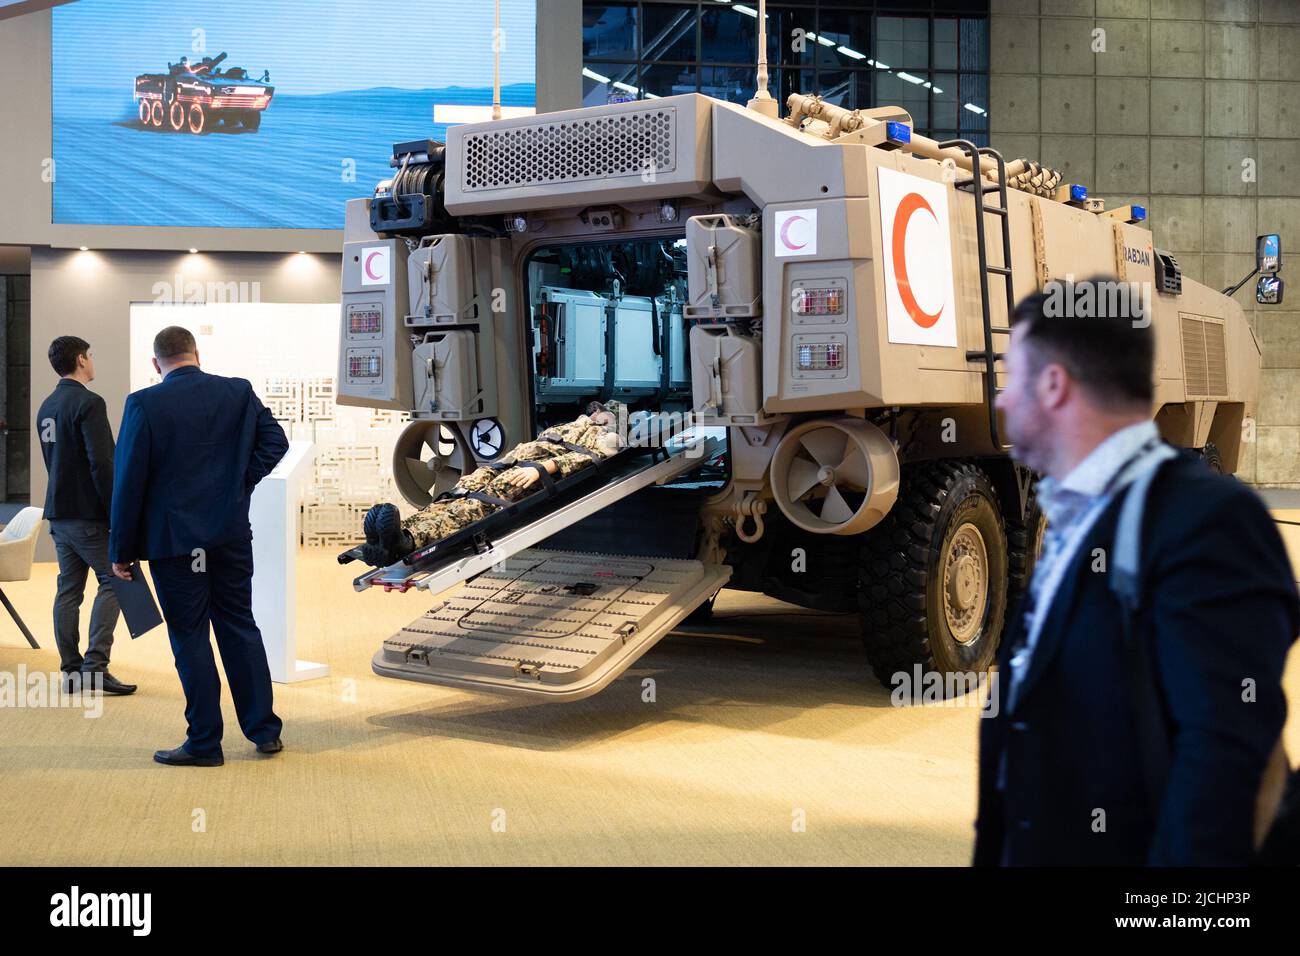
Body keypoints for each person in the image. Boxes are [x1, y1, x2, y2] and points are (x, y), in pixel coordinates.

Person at [974, 279, 1300, 865]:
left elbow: (1223, 769)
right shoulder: (1077, 519)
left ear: (1053, 385)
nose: (1000, 400)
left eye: (1012, 376)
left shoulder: (1208, 523)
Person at [109, 326, 289, 768]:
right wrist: (239, 483)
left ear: (157, 363)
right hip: (228, 534)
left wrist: (121, 549)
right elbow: (276, 443)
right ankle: (264, 730)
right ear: (197, 354)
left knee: (190, 636)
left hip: (174, 543)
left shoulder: (144, 403)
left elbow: (129, 480)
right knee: (239, 626)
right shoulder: (238, 392)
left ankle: (205, 742)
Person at [361, 401, 626, 567]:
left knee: (474, 506)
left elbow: (590, 458)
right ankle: (393, 534)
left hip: (529, 474)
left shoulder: (608, 437)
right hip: (507, 465)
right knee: (456, 494)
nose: (597, 415)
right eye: (598, 411)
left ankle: (408, 540)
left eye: (604, 414)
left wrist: (545, 469)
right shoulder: (573, 425)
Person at [35, 336, 135, 695]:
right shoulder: (90, 403)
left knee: (69, 589)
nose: (92, 360)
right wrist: (117, 512)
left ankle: (72, 671)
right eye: (90, 355)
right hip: (88, 516)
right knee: (117, 581)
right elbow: (102, 464)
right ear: (80, 359)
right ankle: (95, 667)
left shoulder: (47, 406)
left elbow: (55, 463)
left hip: (59, 514)